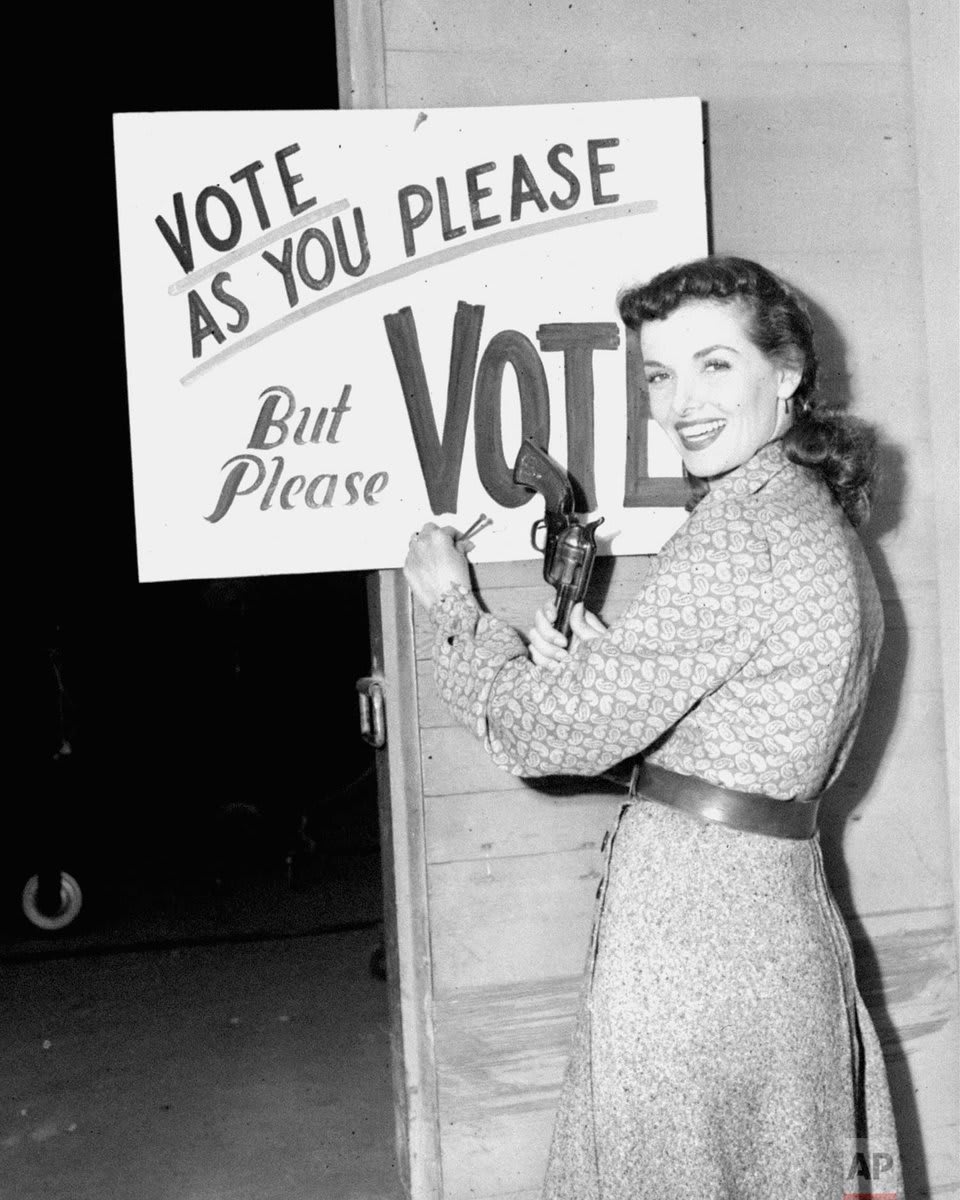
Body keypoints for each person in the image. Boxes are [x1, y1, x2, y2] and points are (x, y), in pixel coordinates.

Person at [403, 256, 900, 1199]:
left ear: (787, 372)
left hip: (695, 944)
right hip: (765, 917)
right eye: (659, 376)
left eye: (715, 365)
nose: (681, 403)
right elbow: (744, 751)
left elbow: (540, 739)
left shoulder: (739, 534)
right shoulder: (807, 517)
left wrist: (453, 611)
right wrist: (613, 682)